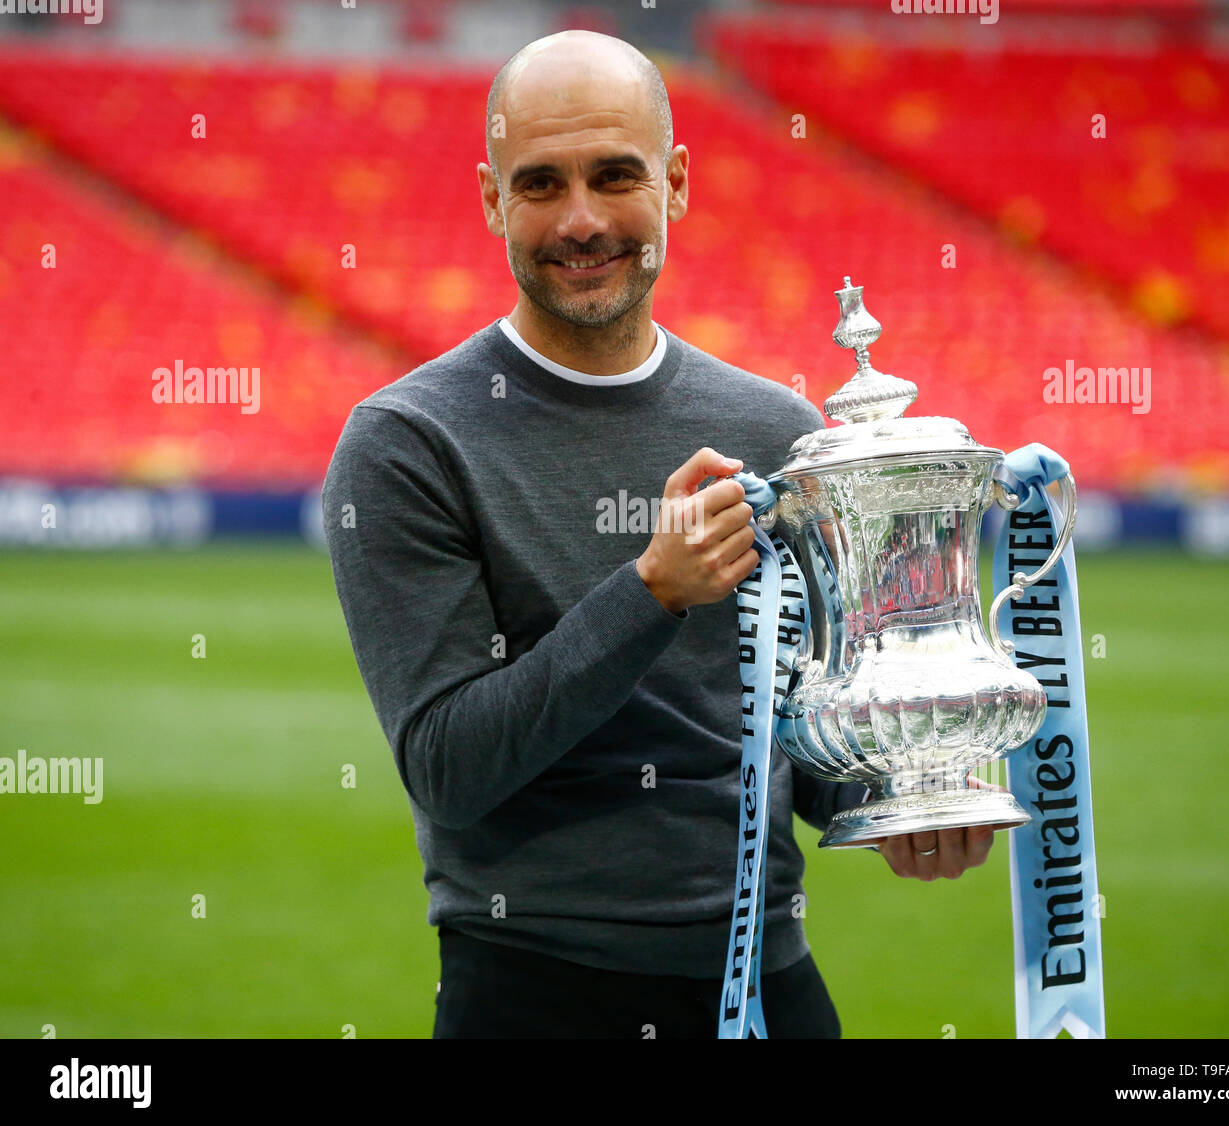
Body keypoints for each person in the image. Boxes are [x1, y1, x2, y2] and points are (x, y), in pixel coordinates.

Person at [322, 29, 993, 1039]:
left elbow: (801, 756)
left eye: (615, 175)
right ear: (491, 198)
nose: (581, 220)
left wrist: (909, 790)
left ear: (675, 183)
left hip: (770, 986)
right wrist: (648, 594)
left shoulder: (780, 434)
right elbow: (450, 770)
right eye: (540, 183)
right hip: (534, 995)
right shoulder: (409, 443)